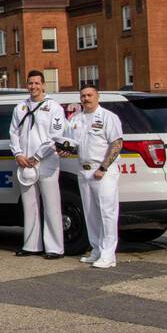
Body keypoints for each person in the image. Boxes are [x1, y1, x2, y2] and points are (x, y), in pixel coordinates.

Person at [64, 87, 124, 268]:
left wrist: (103, 167)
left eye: (90, 95)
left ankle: (109, 254)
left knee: (107, 213)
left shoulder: (108, 117)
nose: (86, 98)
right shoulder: (76, 119)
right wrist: (65, 150)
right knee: (90, 213)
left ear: (98, 97)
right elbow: (72, 144)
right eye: (83, 96)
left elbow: (117, 143)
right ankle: (96, 249)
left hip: (103, 171)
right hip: (84, 170)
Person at [9, 71, 67, 259]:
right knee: (30, 205)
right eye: (30, 83)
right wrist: (18, 154)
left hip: (46, 162)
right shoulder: (20, 107)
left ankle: (55, 247)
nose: (33, 86)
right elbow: (13, 133)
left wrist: (38, 156)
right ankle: (31, 245)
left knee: (51, 205)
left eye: (36, 83)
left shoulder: (54, 107)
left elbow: (56, 136)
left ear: (43, 85)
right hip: (25, 163)